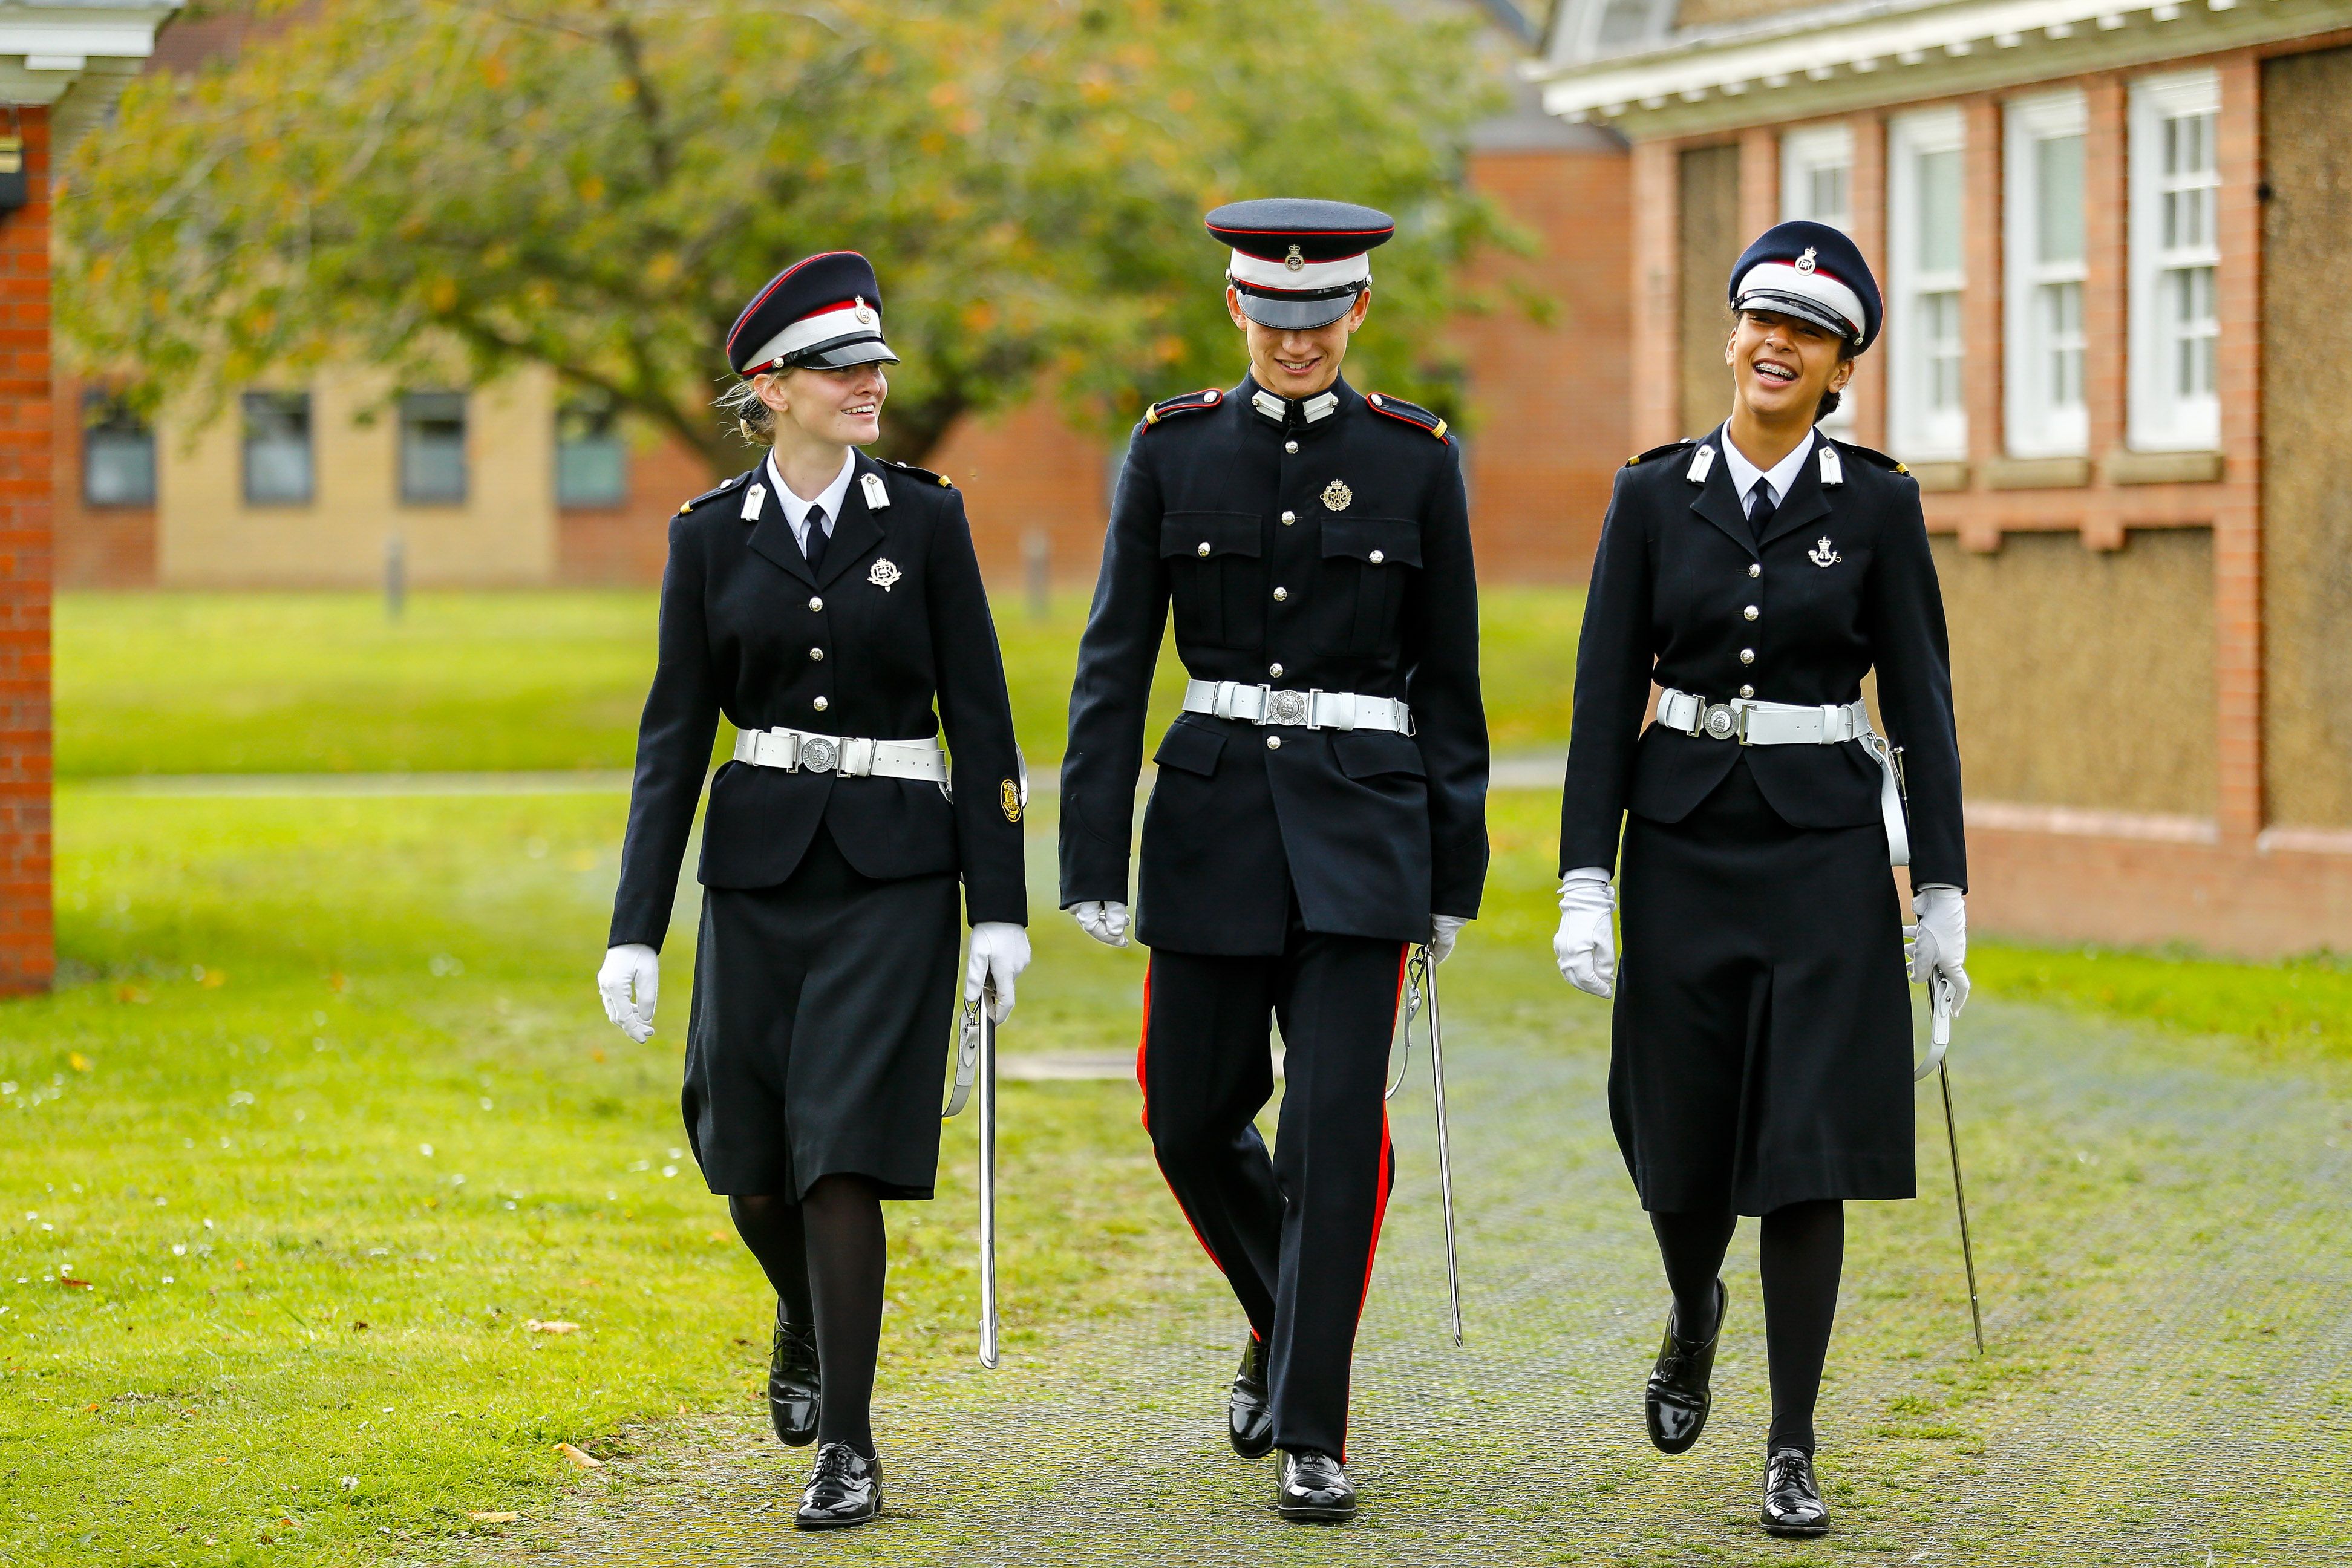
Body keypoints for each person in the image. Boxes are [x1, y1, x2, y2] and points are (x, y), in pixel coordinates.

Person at [1060, 198, 1489, 1524]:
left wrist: (1451, 874)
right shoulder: (1172, 453)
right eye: (1272, 312)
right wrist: (1091, 851)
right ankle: (1276, 1315)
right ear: (1237, 308)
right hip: (1210, 826)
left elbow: (1452, 681)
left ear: (1357, 312)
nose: (1295, 338)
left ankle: (1316, 1426)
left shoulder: (1416, 460)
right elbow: (1115, 659)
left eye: (1320, 315)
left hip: (1365, 834)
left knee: (1330, 1132)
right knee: (1186, 1115)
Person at [595, 250, 1030, 1530]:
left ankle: (849, 1442)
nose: (873, 383)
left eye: (878, 363)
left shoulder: (927, 519)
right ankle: (800, 1308)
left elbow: (985, 722)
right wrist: (636, 928)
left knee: (841, 1151)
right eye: (845, 367)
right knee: (748, 1161)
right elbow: (673, 737)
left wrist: (998, 903)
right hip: (760, 870)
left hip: (897, 870)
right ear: (771, 386)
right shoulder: (707, 539)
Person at [1553, 219, 1970, 1537]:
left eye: (1810, 334)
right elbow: (1601, 696)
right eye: (1761, 322)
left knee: (1808, 1148)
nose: (1777, 345)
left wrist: (1945, 891)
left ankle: (1790, 1443)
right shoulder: (1649, 493)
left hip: (1825, 855)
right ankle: (1692, 1309)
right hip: (1681, 839)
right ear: (1732, 337)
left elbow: (1923, 706)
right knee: (1670, 1133)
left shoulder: (1881, 506)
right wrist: (1582, 877)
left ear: (1842, 369)